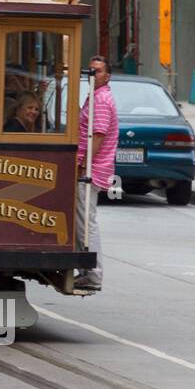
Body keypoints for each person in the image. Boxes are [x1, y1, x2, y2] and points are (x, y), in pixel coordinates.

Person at [75, 55, 117, 291]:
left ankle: (93, 274)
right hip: (92, 167)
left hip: (92, 170)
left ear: (107, 76)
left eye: (98, 71)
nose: (93, 75)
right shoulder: (95, 96)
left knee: (86, 222)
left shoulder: (100, 100)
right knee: (84, 220)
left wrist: (82, 164)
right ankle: (86, 269)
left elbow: (97, 137)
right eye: (90, 71)